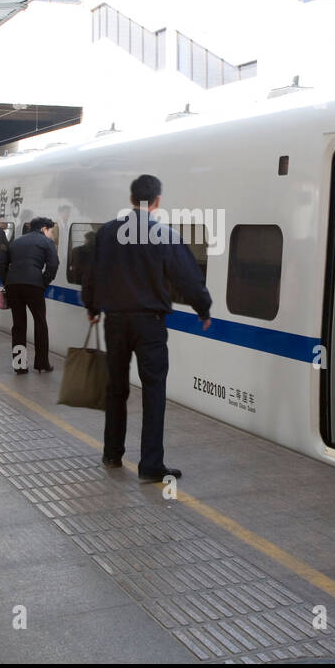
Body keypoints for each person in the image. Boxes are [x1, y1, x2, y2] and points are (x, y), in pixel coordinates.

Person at [83, 175, 211, 481]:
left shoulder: (108, 233)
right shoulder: (163, 234)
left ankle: (112, 453)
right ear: (156, 202)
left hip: (115, 321)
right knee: (154, 391)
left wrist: (92, 307)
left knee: (116, 388)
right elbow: (187, 277)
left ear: (131, 199)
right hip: (149, 324)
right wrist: (203, 308)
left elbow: (92, 272)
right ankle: (151, 465)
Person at [0, 217, 59, 374]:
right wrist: (43, 282)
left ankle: (19, 365)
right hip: (34, 285)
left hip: (13, 285)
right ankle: (41, 364)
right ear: (44, 229)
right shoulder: (46, 242)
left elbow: (2, 263)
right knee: (40, 323)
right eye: (51, 231)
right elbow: (53, 264)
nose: (51, 234)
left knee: (18, 326)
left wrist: (7, 282)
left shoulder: (16, 241)